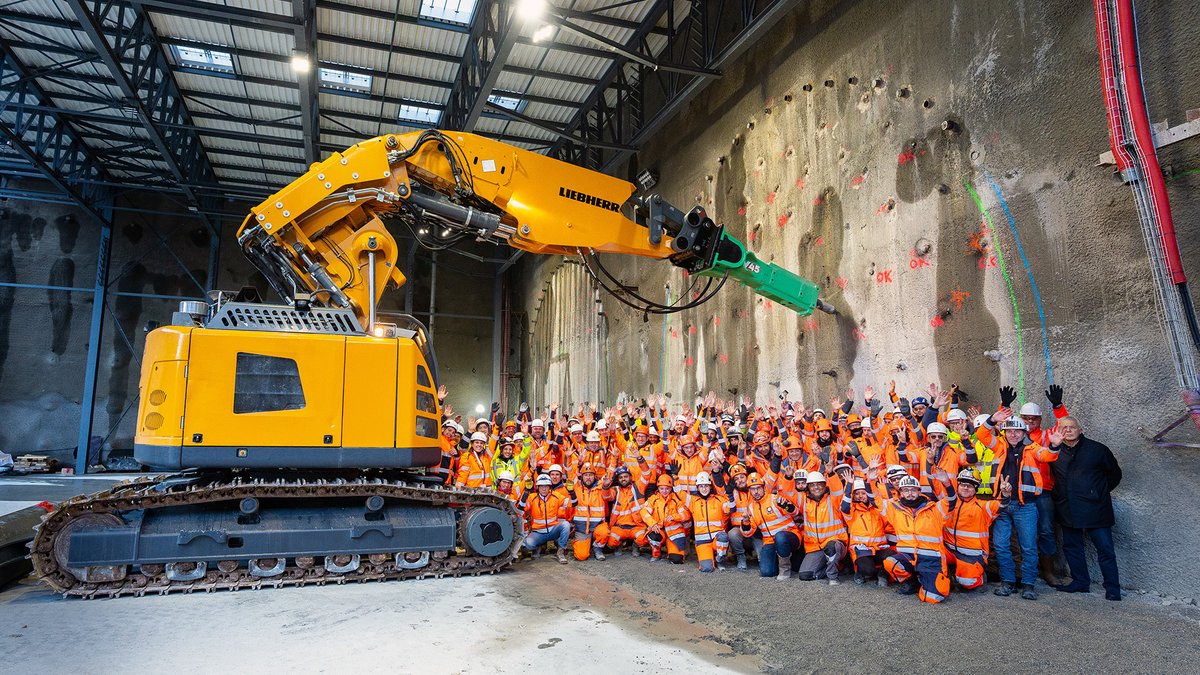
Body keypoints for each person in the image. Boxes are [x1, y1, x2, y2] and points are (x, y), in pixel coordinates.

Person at [971, 415, 1059, 600]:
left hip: (1025, 505)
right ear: (1005, 433)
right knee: (1001, 546)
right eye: (1009, 431)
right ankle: (1008, 582)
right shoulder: (999, 446)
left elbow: (1047, 455)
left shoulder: (1032, 448)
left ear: (1023, 432)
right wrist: (993, 419)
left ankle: (1028, 584)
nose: (1013, 434)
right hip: (1002, 504)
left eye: (1017, 431)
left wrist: (1055, 445)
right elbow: (981, 434)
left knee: (1027, 547)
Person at [1048, 417, 1123, 600]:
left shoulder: (1097, 450)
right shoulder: (1054, 452)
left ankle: (1112, 588)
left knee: (1105, 549)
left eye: (1072, 427)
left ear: (1080, 430)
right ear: (1059, 431)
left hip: (1096, 508)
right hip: (1068, 508)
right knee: (1072, 547)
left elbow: (1115, 474)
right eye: (1064, 427)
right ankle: (1080, 582)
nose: (1068, 430)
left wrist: (1098, 492)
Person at [880, 475, 952, 604]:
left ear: (919, 491)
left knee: (932, 598)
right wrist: (870, 481)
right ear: (900, 493)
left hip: (931, 559)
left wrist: (947, 483)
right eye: (906, 490)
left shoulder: (934, 508)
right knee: (890, 562)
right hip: (908, 556)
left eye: (913, 490)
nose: (910, 493)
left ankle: (928, 579)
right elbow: (876, 501)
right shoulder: (895, 509)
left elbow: (951, 501)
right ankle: (912, 582)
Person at [942, 468, 1010, 591]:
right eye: (962, 484)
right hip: (949, 551)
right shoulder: (947, 504)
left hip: (972, 555)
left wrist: (1004, 494)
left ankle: (980, 577)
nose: (965, 488)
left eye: (970, 486)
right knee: (929, 554)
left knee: (967, 582)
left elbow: (1000, 505)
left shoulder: (983, 507)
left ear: (975, 489)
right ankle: (951, 573)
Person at [739, 472, 802, 578]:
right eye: (752, 489)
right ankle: (782, 558)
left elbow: (795, 512)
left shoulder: (775, 499)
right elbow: (748, 533)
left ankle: (785, 569)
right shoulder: (751, 508)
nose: (756, 492)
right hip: (770, 541)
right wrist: (745, 522)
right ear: (749, 491)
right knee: (767, 572)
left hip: (790, 536)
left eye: (758, 488)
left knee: (780, 537)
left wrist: (785, 505)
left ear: (764, 488)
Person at [796, 470, 849, 585]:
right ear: (808, 487)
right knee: (805, 575)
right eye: (812, 485)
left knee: (831, 548)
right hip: (815, 547)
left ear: (825, 485)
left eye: (819, 484)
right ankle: (838, 566)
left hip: (835, 542)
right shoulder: (804, 501)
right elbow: (788, 493)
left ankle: (833, 577)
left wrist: (830, 473)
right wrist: (788, 477)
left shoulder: (833, 498)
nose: (816, 487)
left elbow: (838, 490)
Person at [522, 474, 572, 563]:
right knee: (527, 544)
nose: (544, 489)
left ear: (550, 487)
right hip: (538, 532)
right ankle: (537, 547)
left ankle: (561, 551)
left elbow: (572, 504)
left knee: (566, 525)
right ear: (537, 487)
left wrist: (571, 492)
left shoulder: (556, 496)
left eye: (546, 486)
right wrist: (526, 492)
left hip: (553, 530)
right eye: (541, 486)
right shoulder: (532, 497)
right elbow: (521, 509)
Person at [689, 471, 732, 572]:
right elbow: (679, 494)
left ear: (710, 487)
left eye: (706, 486)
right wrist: (676, 478)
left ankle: (719, 559)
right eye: (701, 486)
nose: (704, 489)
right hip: (702, 542)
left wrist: (730, 495)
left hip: (716, 539)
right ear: (697, 488)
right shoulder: (692, 501)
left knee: (723, 536)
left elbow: (730, 509)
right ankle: (711, 559)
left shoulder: (718, 500)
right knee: (707, 568)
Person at [641, 474, 689, 563]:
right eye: (661, 488)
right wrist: (652, 523)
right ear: (658, 488)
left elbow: (686, 514)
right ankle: (656, 554)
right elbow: (644, 512)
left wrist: (675, 517)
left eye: (667, 488)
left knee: (677, 560)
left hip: (673, 533)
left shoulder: (676, 500)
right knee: (653, 535)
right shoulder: (653, 499)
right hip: (659, 531)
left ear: (671, 489)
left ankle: (670, 551)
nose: (664, 491)